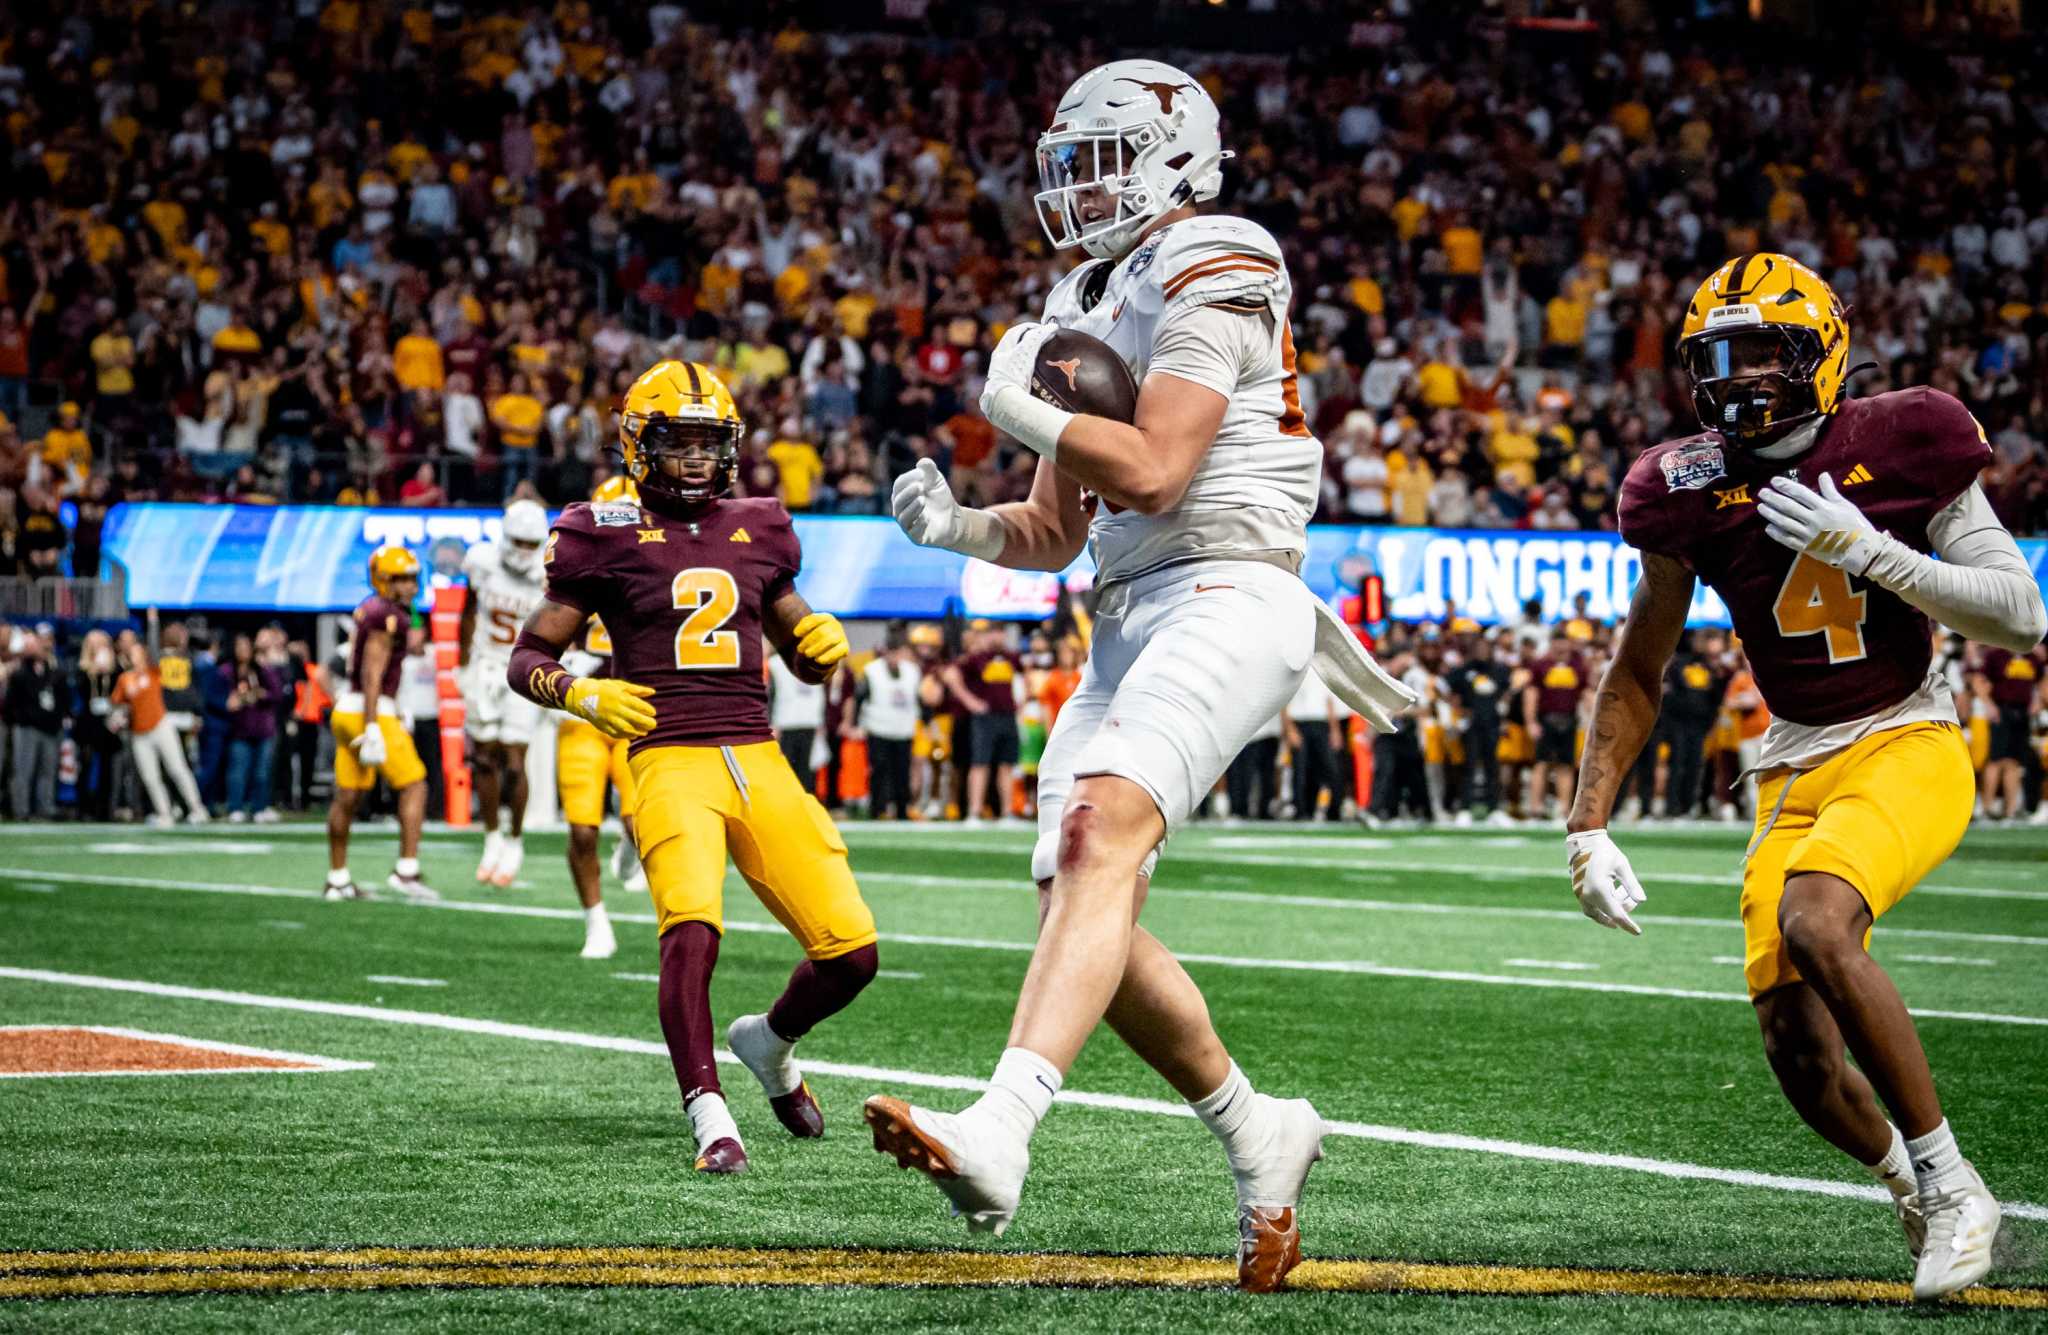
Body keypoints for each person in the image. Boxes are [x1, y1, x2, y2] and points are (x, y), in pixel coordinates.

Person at [874, 59, 1409, 1289]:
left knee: (1100, 828)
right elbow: (1057, 529)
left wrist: (1027, 412)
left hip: (1230, 583)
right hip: (1125, 611)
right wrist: (956, 528)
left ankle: (1001, 1133)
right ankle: (1256, 1129)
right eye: (1070, 164)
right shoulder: (1081, 287)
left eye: (1103, 158)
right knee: (1078, 883)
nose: (1081, 187)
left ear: (1176, 154)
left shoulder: (1219, 250)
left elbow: (1162, 469)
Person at [1566, 253, 2048, 1302]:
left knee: (1816, 922)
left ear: (1822, 351)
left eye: (1763, 354)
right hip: (1789, 763)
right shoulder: (1678, 482)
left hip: (1905, 736)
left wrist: (1875, 552)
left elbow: (2020, 615)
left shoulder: (1903, 434)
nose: (1739, 380)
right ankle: (1904, 1183)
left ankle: (1956, 1181)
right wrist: (1584, 825)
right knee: (1793, 1049)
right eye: (1716, 359)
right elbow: (1635, 665)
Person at [508, 359, 878, 1175]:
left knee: (852, 953)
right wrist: (579, 692)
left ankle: (771, 1043)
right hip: (669, 754)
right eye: (679, 442)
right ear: (641, 445)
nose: (699, 460)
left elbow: (793, 636)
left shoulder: (760, 524)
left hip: (756, 752)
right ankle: (710, 1114)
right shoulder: (598, 529)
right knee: (691, 929)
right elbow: (528, 652)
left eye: (711, 443)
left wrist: (817, 648)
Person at [552, 480, 648, 962]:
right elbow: (544, 641)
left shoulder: (662, 570)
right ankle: (596, 921)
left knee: (640, 821)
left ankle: (628, 851)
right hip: (586, 713)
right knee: (582, 829)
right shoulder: (576, 570)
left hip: (634, 711)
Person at [325, 546, 433, 901]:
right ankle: (407, 871)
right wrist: (373, 725)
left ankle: (337, 879)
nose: (411, 586)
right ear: (384, 580)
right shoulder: (387, 615)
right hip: (368, 711)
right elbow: (372, 672)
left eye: (413, 577)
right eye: (402, 579)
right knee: (415, 784)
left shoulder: (378, 609)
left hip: (348, 709)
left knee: (348, 796)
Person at [460, 499, 550, 886]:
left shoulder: (550, 572)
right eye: (520, 541)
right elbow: (468, 609)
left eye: (533, 544)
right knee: (483, 757)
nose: (526, 551)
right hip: (485, 664)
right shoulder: (482, 561)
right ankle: (492, 837)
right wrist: (461, 663)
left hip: (524, 669)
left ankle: (515, 839)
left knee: (515, 759)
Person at [114, 642, 207, 826]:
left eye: (137, 652)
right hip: (139, 733)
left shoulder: (153, 672)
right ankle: (164, 813)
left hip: (160, 726)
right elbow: (118, 704)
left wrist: (153, 621)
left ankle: (197, 808)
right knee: (150, 777)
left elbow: (156, 652)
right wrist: (118, 717)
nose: (133, 656)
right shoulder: (125, 679)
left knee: (177, 769)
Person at [942, 620, 1021, 824]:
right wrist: (971, 701)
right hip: (985, 719)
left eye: (1001, 633)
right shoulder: (975, 658)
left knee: (1006, 765)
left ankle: (1007, 812)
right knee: (980, 764)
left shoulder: (1011, 657)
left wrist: (1021, 700)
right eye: (993, 633)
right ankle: (974, 812)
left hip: (1008, 716)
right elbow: (950, 675)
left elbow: (1024, 677)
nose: (998, 637)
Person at [1445, 629, 1511, 824]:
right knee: (1469, 765)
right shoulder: (1464, 670)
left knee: (1493, 766)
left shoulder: (1499, 670)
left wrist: (1503, 712)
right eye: (1478, 648)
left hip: (1492, 723)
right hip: (1471, 725)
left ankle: (1494, 808)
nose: (1482, 651)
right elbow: (1444, 689)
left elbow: (1507, 692)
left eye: (1485, 648)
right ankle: (1465, 807)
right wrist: (1459, 711)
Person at [858, 622, 923, 820]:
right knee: (879, 772)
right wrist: (856, 724)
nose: (894, 658)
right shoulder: (871, 671)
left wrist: (925, 720)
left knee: (902, 772)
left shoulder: (912, 671)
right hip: (878, 728)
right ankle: (877, 809)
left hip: (903, 729)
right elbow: (860, 697)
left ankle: (902, 810)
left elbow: (918, 698)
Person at [1521, 627, 1585, 821]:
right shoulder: (1541, 665)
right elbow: (1531, 695)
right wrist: (1531, 722)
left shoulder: (1577, 666)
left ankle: (1564, 809)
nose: (1561, 646)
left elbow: (1586, 694)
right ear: (1551, 643)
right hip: (1546, 720)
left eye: (1564, 641)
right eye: (1557, 641)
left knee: (1565, 766)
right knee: (1541, 764)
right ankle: (1535, 808)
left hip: (1569, 720)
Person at [221, 634, 283, 822]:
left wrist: (260, 695)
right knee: (238, 771)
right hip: (240, 729)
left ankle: (259, 807)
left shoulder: (262, 671)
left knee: (261, 772)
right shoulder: (227, 672)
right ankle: (236, 807)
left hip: (262, 728)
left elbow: (277, 694)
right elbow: (222, 700)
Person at [6, 630, 63, 819]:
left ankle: (44, 808)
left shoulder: (54, 671)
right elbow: (12, 701)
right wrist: (22, 718)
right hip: (27, 727)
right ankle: (20, 809)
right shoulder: (21, 671)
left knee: (47, 770)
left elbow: (62, 699)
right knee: (23, 769)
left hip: (49, 728)